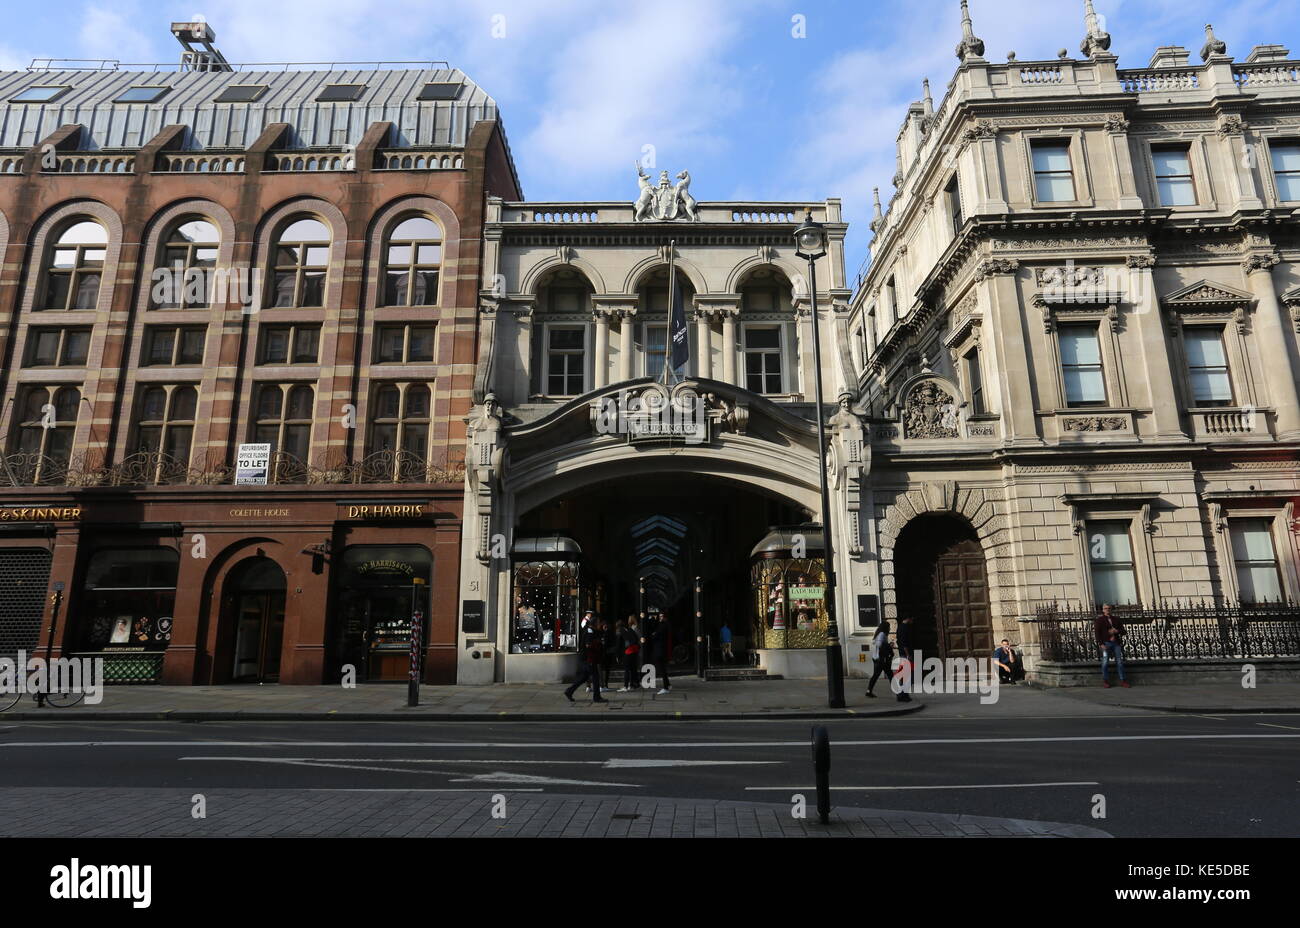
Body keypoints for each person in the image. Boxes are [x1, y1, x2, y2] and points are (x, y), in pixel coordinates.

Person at [564, 616, 606, 704]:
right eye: (598, 623)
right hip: (589, 659)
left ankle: (569, 691)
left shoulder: (591, 630)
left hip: (587, 659)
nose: (600, 625)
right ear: (595, 624)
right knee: (595, 677)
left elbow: (598, 634)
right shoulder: (589, 632)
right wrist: (597, 645)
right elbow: (588, 645)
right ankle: (597, 697)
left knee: (583, 678)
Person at [1095, 603, 1131, 688]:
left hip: (1116, 643)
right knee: (1105, 662)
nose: (1107, 610)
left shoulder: (1116, 619)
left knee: (1119, 662)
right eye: (1105, 608)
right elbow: (1097, 633)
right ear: (1103, 610)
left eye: (1109, 608)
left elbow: (1124, 631)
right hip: (1106, 643)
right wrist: (1101, 644)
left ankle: (1123, 680)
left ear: (1111, 610)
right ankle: (1105, 681)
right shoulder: (1099, 620)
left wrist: (1117, 631)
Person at [865, 619, 893, 698]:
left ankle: (869, 691)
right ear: (885, 627)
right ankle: (898, 692)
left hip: (877, 658)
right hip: (881, 659)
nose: (889, 629)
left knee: (876, 675)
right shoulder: (882, 634)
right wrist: (888, 646)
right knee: (890, 674)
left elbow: (877, 644)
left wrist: (887, 644)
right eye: (889, 627)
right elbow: (880, 645)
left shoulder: (879, 634)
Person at [646, 613, 671, 694]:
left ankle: (665, 687)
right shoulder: (663, 625)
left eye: (662, 616)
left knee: (661, 668)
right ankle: (667, 684)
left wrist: (654, 634)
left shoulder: (663, 626)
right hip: (660, 649)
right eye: (659, 616)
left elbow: (654, 636)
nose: (660, 618)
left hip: (659, 649)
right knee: (662, 668)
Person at [893, 615, 915, 702]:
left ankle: (901, 695)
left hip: (902, 654)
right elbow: (904, 643)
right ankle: (903, 695)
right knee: (909, 676)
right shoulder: (905, 628)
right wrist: (908, 654)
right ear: (908, 618)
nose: (913, 620)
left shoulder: (900, 627)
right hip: (906, 655)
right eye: (912, 618)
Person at [619, 616, 640, 692]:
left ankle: (626, 685)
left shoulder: (630, 629)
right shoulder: (631, 629)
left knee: (628, 669)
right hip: (634, 650)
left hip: (630, 651)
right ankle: (632, 684)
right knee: (633, 669)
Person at [604, 619, 623, 688]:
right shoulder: (612, 632)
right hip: (609, 652)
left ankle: (604, 684)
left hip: (607, 652)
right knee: (607, 669)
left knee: (606, 669)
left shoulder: (608, 633)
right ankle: (605, 684)